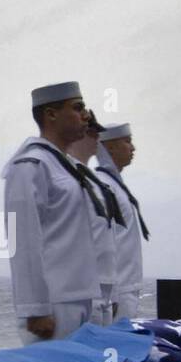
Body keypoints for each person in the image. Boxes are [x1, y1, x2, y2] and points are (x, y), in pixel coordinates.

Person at [1, 81, 104, 343]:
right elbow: (23, 240)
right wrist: (35, 308)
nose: (86, 116)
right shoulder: (31, 165)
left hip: (82, 297)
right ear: (51, 114)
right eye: (78, 108)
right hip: (55, 304)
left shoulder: (67, 167)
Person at [65, 112, 121, 326]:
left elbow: (109, 239)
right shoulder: (62, 176)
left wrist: (113, 292)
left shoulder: (95, 181)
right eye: (92, 132)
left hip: (104, 288)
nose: (97, 139)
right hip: (80, 290)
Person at [94, 122, 148, 320]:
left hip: (127, 285)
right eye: (127, 141)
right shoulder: (103, 186)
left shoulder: (115, 186)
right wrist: (113, 295)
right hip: (118, 290)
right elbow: (104, 242)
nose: (133, 148)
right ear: (110, 147)